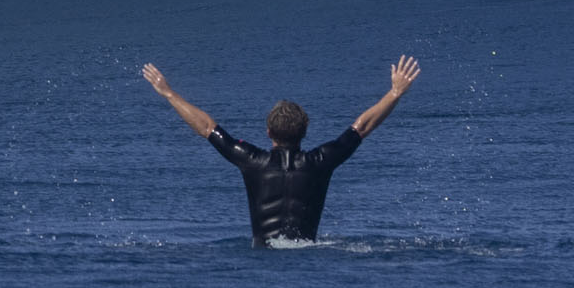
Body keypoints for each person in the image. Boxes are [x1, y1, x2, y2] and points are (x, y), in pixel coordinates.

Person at [140, 56, 421, 244]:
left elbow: (207, 128)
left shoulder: (252, 161)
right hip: (306, 255)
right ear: (305, 131)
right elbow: (361, 128)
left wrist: (168, 92)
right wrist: (395, 92)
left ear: (269, 133)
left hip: (264, 256)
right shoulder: (319, 163)